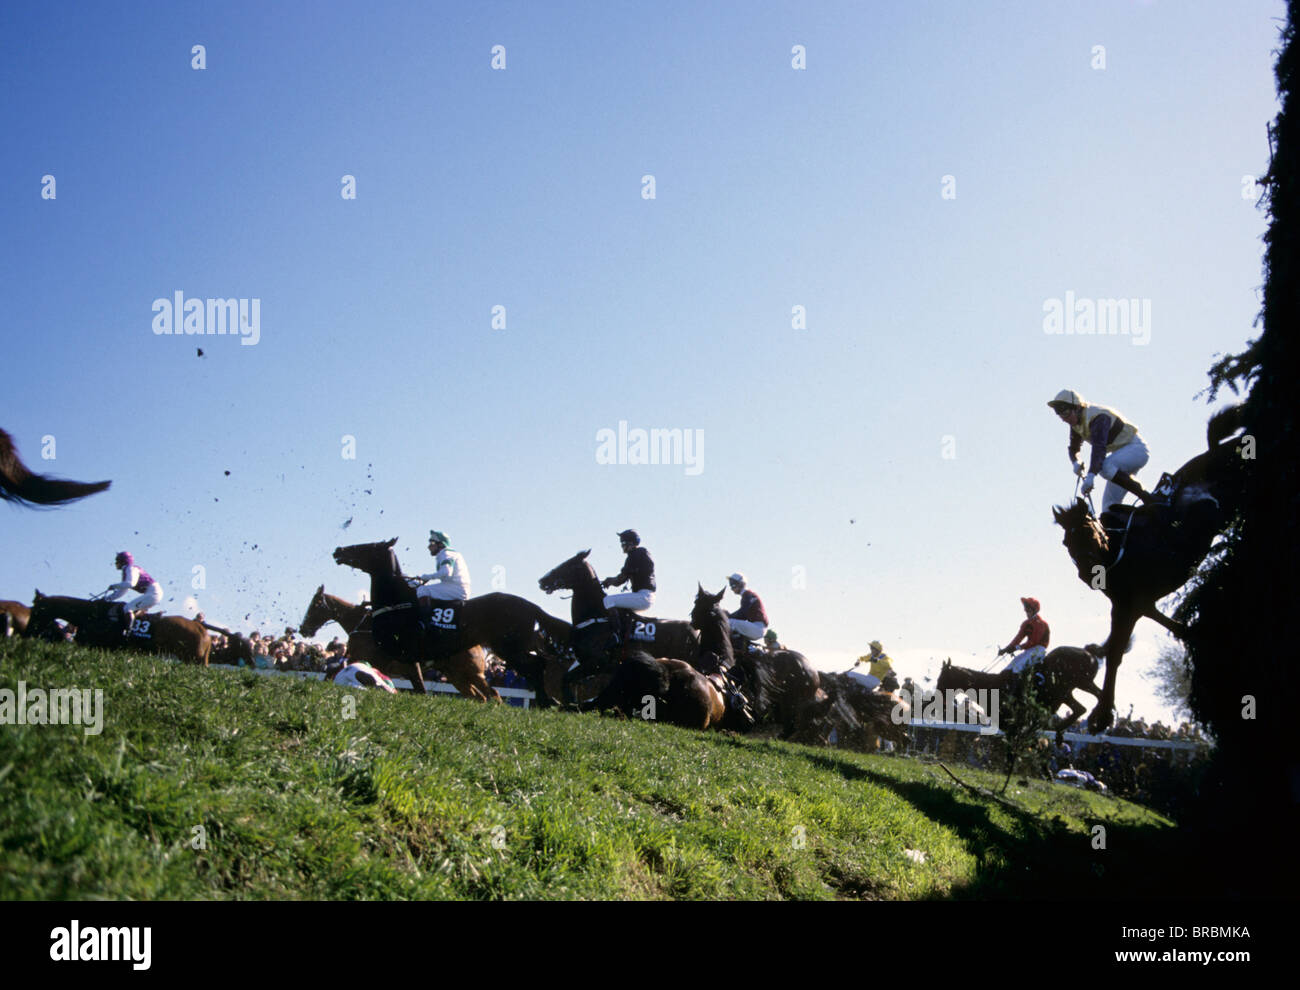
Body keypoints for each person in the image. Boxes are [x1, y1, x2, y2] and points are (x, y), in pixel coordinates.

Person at [1047, 389, 1152, 512]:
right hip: (1121, 456)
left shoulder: (1097, 417)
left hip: (1136, 449)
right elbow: (1074, 448)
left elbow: (1099, 448)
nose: (1063, 419)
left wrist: (1091, 475)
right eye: (1059, 415)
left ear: (1076, 407)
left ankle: (1147, 498)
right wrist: (1076, 462)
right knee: (1108, 508)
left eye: (1065, 413)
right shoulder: (1076, 424)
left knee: (1104, 467)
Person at [103, 551, 163, 636]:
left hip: (154, 593)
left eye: (117, 561)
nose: (116, 563)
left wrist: (114, 586)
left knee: (128, 608)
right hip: (153, 593)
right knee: (131, 608)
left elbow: (131, 584)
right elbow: (122, 591)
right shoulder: (127, 569)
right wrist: (107, 599)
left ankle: (128, 632)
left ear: (123, 561)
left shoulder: (130, 568)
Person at [408, 530, 471, 602]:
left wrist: (426, 577)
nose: (429, 547)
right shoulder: (446, 553)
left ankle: (425, 613)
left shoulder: (446, 554)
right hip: (455, 587)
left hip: (456, 589)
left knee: (423, 590)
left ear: (441, 544)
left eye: (432, 543)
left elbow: (445, 572)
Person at [601, 530, 655, 612]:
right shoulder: (640, 553)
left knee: (608, 600)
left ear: (631, 543)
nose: (622, 546)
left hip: (642, 596)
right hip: (644, 595)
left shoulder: (635, 554)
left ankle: (616, 625)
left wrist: (608, 581)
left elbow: (620, 580)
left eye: (623, 543)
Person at [999, 596, 1050, 678]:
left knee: (1017, 667)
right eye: (1026, 610)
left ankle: (1016, 689)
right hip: (1029, 649)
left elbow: (1034, 642)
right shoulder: (1026, 623)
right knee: (1010, 667)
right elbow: (1018, 638)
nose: (1026, 612)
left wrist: (1016, 648)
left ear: (1034, 611)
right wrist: (1006, 649)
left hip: (1039, 649)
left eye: (1028, 610)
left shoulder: (1041, 623)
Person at [725, 572, 769, 641]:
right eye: (730, 585)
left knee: (729, 622)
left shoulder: (748, 594)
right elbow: (742, 614)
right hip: (757, 627)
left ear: (741, 584)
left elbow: (742, 614)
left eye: (733, 585)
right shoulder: (746, 595)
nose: (731, 588)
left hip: (758, 627)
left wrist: (727, 616)